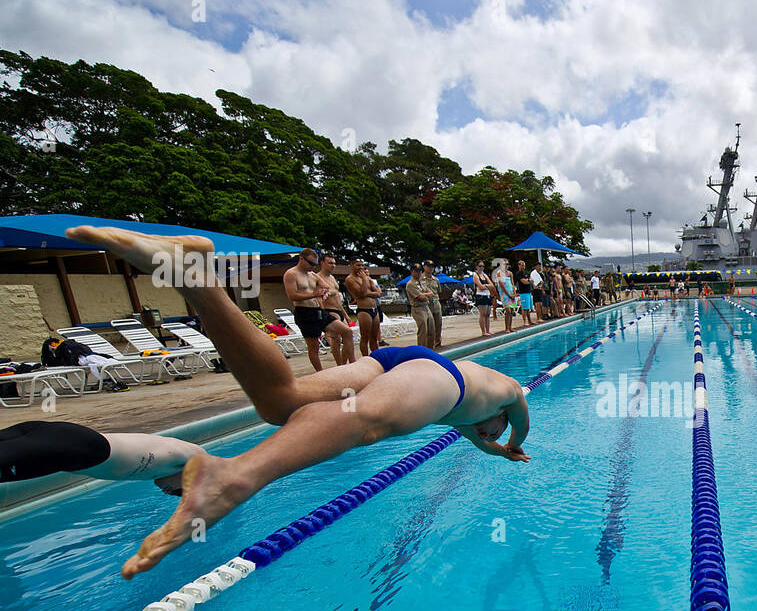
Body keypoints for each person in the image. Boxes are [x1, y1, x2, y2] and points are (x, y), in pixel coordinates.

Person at [65, 225, 534, 578]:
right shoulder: (508, 394)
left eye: (487, 434)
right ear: (499, 419)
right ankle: (232, 477)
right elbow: (521, 422)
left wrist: (495, 448)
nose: (488, 434)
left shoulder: (473, 424)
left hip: (395, 361)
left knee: (278, 402)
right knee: (368, 421)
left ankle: (194, 277)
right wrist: (515, 441)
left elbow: (486, 440)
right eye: (494, 430)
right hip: (436, 374)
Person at [1, 420, 203, 495]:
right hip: (78, 447)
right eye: (177, 491)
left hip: (64, 446)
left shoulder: (162, 466)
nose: (167, 491)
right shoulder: (190, 456)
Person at [285, 248, 338, 372]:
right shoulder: (291, 274)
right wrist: (314, 294)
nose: (313, 267)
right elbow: (292, 296)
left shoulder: (312, 275)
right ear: (301, 259)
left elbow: (327, 288)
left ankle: (347, 365)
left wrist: (325, 293)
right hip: (304, 312)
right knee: (313, 346)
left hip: (318, 310)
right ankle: (320, 372)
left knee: (346, 332)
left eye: (315, 264)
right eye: (311, 263)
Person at [314, 253, 356, 366]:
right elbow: (319, 298)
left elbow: (337, 298)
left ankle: (344, 362)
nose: (333, 266)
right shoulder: (318, 278)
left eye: (334, 263)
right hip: (329, 310)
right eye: (330, 263)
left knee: (348, 336)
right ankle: (341, 364)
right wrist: (322, 314)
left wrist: (346, 315)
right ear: (322, 263)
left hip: (338, 309)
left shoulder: (332, 278)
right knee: (336, 339)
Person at [346, 260, 382, 357]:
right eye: (358, 265)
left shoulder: (367, 278)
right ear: (351, 265)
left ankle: (376, 357)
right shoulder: (350, 279)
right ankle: (365, 358)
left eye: (362, 265)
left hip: (374, 309)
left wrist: (368, 293)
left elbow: (378, 293)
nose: (361, 267)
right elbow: (361, 293)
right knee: (365, 337)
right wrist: (364, 280)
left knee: (374, 337)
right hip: (363, 310)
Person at [492, 259, 517, 334]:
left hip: (511, 293)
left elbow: (512, 283)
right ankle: (507, 328)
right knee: (508, 310)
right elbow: (501, 285)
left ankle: (510, 327)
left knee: (511, 310)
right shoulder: (499, 273)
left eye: (507, 264)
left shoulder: (510, 273)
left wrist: (514, 292)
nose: (506, 266)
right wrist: (508, 294)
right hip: (504, 294)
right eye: (504, 264)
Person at [472, 261, 494, 336]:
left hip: (487, 295)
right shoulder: (475, 275)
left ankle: (488, 330)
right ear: (476, 267)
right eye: (480, 266)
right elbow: (480, 286)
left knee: (487, 314)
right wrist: (487, 286)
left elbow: (492, 285)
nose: (481, 268)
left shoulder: (484, 275)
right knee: (483, 314)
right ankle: (483, 331)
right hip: (481, 295)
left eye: (483, 266)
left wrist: (485, 286)